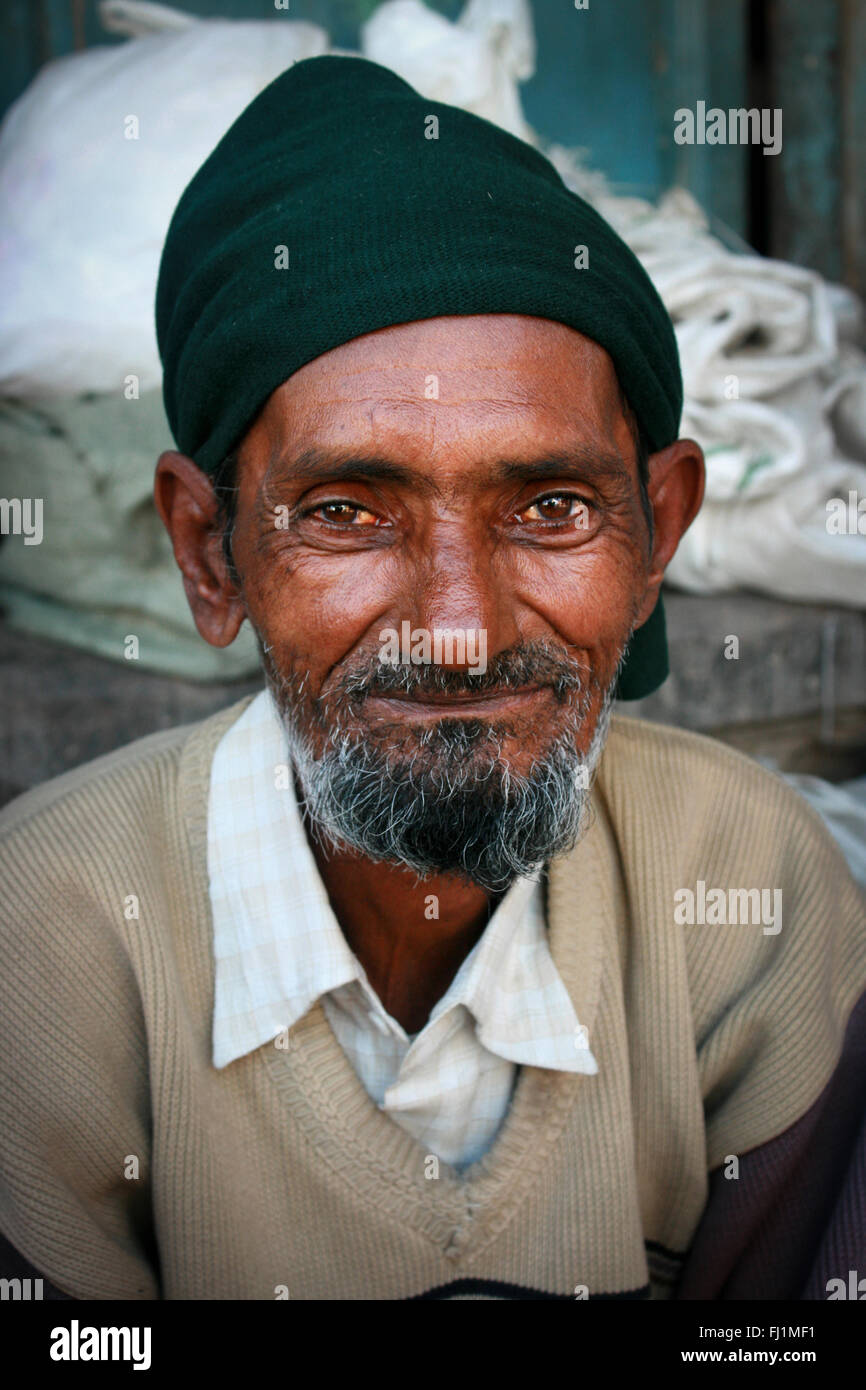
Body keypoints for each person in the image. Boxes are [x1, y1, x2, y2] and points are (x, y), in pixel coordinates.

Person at [1, 55, 864, 1302]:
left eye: (551, 506)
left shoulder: (751, 891)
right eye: (347, 511)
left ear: (656, 533)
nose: (459, 632)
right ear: (210, 552)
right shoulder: (42, 946)